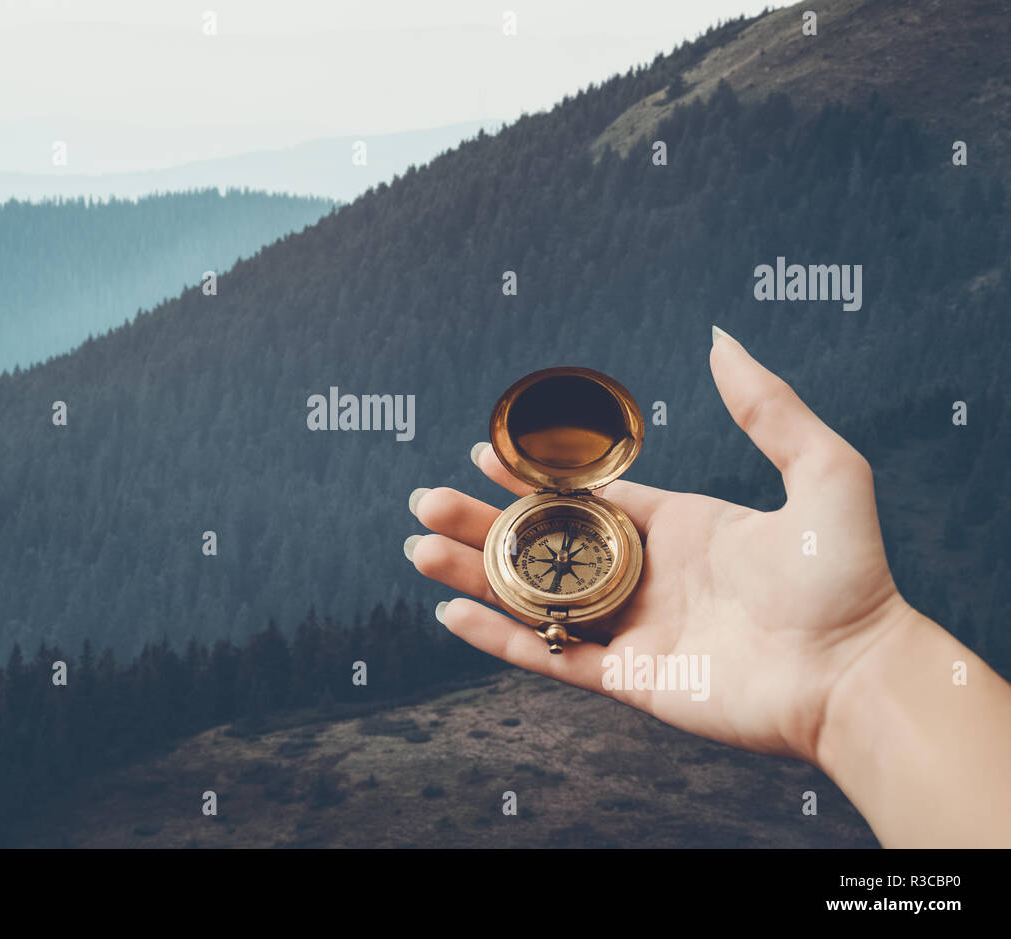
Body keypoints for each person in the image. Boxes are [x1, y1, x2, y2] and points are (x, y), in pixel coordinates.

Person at [404, 326, 1011, 848]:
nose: (560, 566)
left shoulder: (587, 539)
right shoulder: (593, 532)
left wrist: (851, 656)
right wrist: (858, 663)